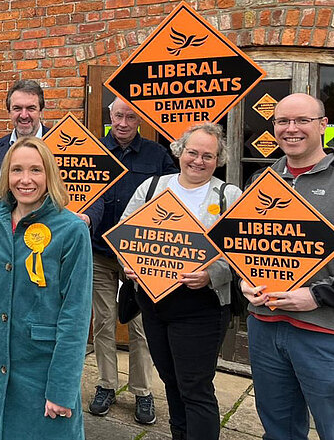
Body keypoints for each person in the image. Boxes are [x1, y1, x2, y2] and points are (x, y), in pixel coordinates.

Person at [0, 136, 93, 440]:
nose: (25, 180)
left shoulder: (71, 229)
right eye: (17, 170)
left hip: (41, 367)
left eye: (35, 170)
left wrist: (62, 387)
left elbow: (76, 313)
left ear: (49, 175)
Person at [241, 93, 334, 439]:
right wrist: (243, 281)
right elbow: (244, 246)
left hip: (328, 332)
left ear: (323, 125)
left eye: (302, 120)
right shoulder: (259, 180)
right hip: (265, 327)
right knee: (278, 430)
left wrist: (317, 296)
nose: (291, 129)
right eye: (282, 121)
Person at [121, 123, 240, 440]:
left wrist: (211, 274)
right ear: (179, 152)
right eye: (192, 152)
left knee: (195, 387)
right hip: (154, 304)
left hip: (201, 307)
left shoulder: (228, 195)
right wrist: (128, 264)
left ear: (218, 159)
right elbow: (125, 234)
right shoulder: (152, 187)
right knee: (170, 381)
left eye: (208, 156)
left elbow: (242, 252)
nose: (198, 161)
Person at [89, 97, 177, 423]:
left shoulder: (157, 155)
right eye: (118, 116)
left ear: (140, 120)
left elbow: (176, 195)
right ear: (110, 116)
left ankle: (142, 390)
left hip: (139, 256)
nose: (123, 123)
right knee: (103, 321)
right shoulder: (94, 150)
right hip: (99, 250)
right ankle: (106, 385)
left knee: (141, 326)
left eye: (130, 117)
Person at [0, 79, 49, 213]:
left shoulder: (59, 145)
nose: (24, 115)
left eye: (31, 108)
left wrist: (86, 218)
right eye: (17, 108)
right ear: (9, 112)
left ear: (40, 111)